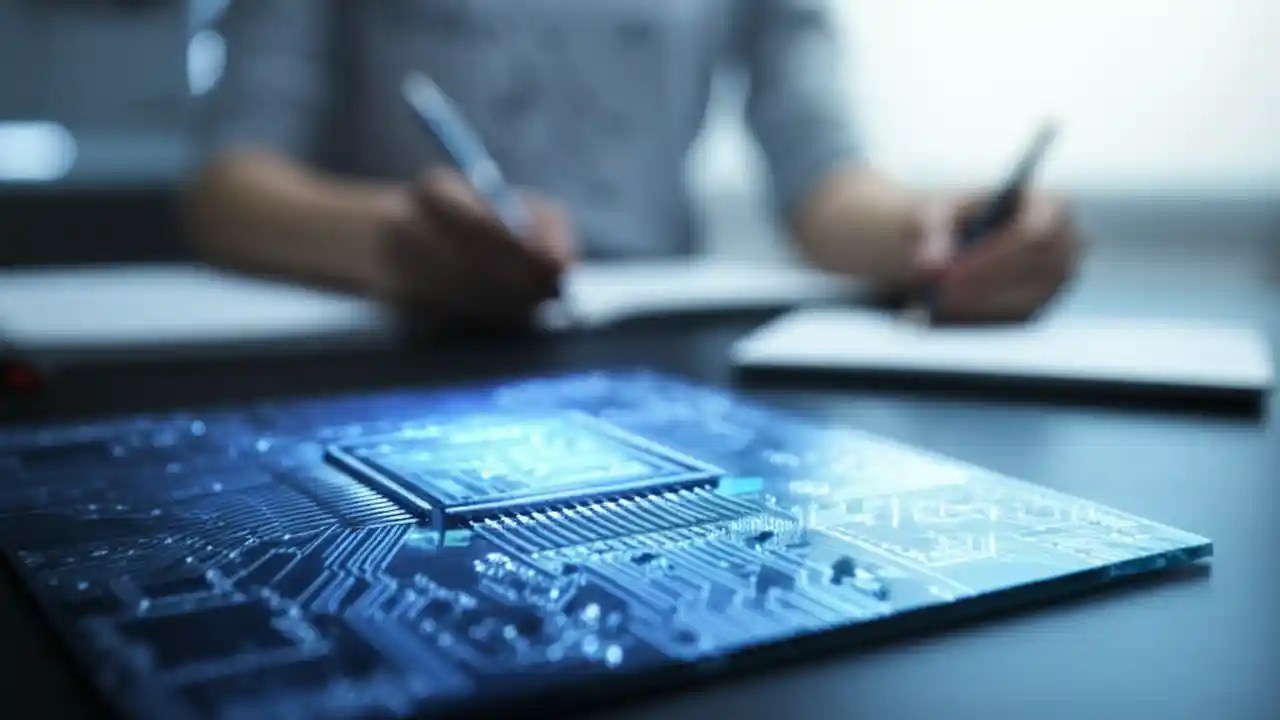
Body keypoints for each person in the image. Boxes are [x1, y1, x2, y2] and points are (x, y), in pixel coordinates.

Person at [186, 1, 1079, 333]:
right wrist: (385, 239)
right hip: (380, 343)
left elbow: (822, 178)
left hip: (653, 352)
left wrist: (945, 233)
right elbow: (229, 181)